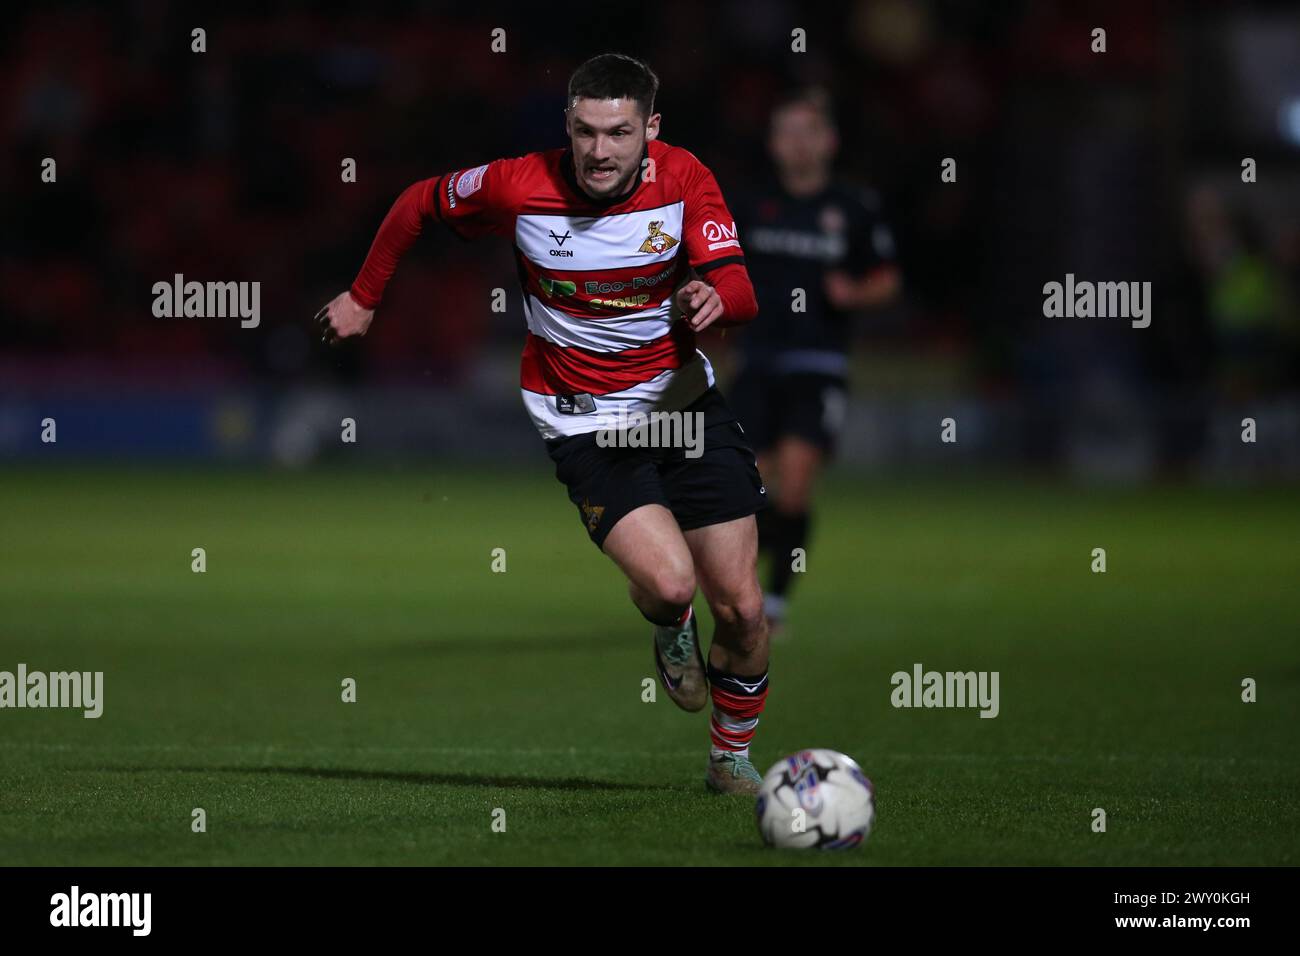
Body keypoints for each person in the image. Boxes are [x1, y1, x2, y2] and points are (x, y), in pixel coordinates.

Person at [316, 54, 772, 794]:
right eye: (587, 131)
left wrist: (714, 299)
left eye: (620, 132)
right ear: (568, 125)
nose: (600, 150)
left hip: (683, 405)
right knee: (668, 586)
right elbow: (416, 204)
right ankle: (667, 625)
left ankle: (729, 761)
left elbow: (740, 286)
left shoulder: (685, 177)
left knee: (746, 609)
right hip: (586, 422)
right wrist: (364, 297)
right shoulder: (515, 184)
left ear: (650, 130)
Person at [729, 87, 901, 636]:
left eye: (807, 131)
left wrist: (855, 294)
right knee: (747, 485)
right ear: (773, 143)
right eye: (786, 132)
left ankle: (775, 600)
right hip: (757, 360)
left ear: (829, 141)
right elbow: (715, 264)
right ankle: (740, 586)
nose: (796, 143)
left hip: (818, 362)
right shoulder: (750, 204)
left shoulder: (853, 207)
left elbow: (887, 277)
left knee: (796, 483)